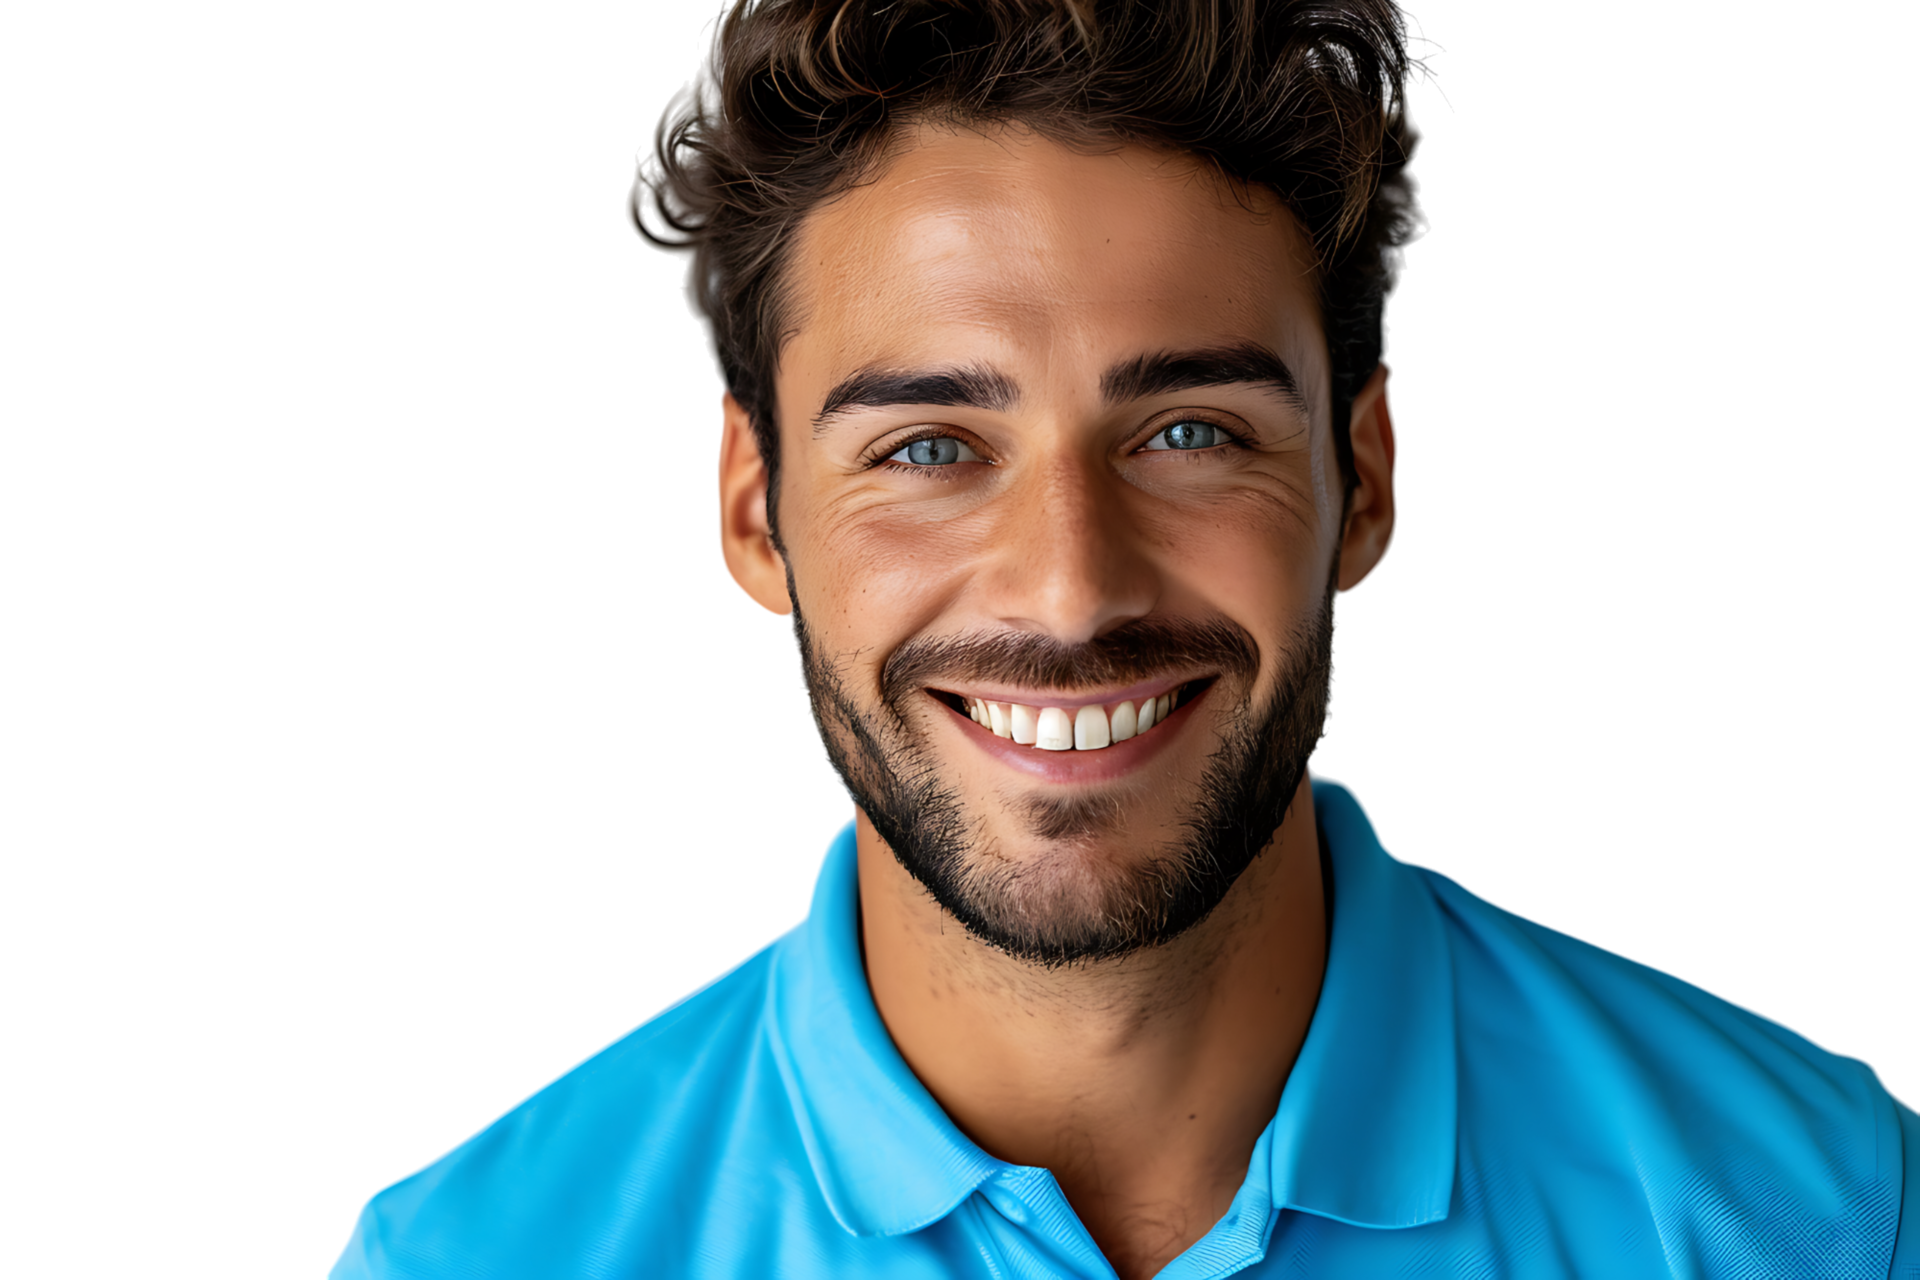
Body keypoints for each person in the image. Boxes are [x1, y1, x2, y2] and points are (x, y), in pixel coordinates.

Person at [327, 1, 1916, 1276]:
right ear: (756, 513)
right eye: (930, 447)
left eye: (1189, 433)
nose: (1073, 593)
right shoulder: (468, 1259)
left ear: (1363, 481)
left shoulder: (1827, 1211)